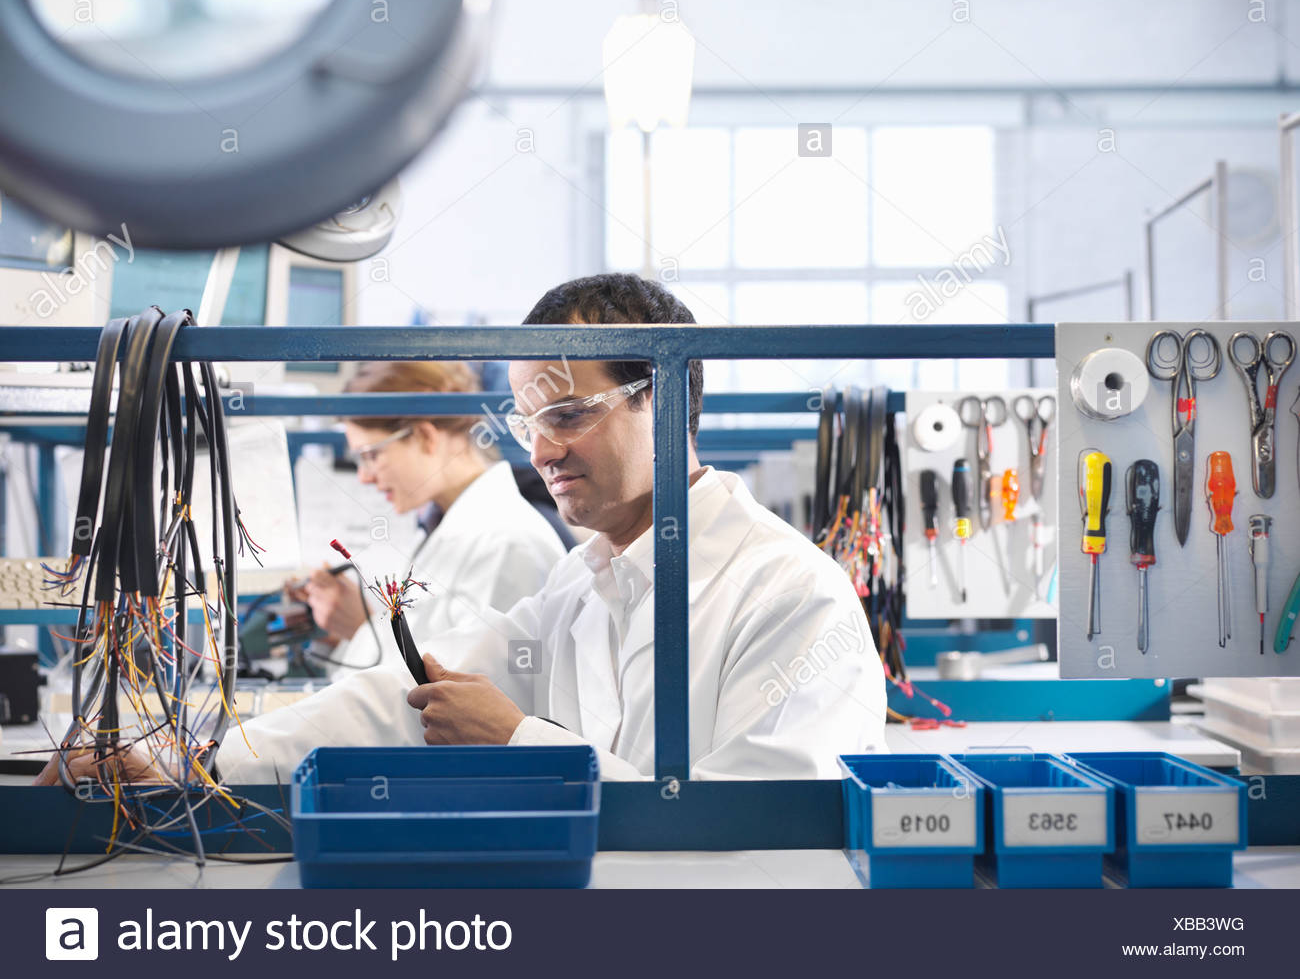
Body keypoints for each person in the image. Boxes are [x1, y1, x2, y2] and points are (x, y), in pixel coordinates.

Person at [38, 274, 886, 786]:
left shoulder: (792, 596)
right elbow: (412, 697)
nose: (543, 449)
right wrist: (206, 761)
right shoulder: (582, 583)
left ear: (659, 396)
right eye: (526, 421)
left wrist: (517, 739)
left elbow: (765, 836)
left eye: (567, 413)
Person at [288, 360, 567, 676]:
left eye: (371, 455)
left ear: (424, 436)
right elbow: (430, 639)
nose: (363, 476)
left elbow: (477, 697)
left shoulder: (508, 543)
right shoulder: (440, 526)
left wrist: (362, 628)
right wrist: (342, 629)